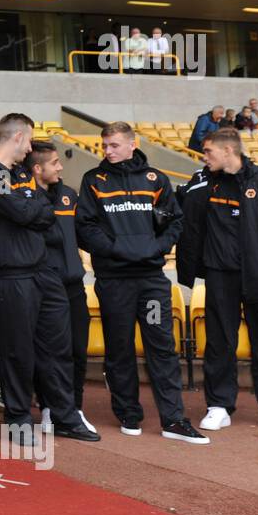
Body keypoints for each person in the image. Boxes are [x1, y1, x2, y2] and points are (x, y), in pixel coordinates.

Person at [0, 113, 100, 441]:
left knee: (58, 347)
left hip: (45, 271)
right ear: (16, 137)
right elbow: (25, 211)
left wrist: (31, 205)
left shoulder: (22, 175)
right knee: (18, 349)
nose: (30, 147)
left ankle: (64, 415)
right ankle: (17, 418)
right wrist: (31, 206)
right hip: (12, 273)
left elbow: (43, 212)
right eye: (28, 140)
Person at [75, 122, 205, 442]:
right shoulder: (94, 180)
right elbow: (85, 228)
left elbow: (174, 222)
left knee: (161, 347)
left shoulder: (155, 179)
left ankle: (173, 420)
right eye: (105, 146)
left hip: (150, 282)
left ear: (133, 144)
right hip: (114, 282)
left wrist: (155, 248)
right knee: (119, 349)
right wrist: (119, 249)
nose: (108, 151)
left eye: (114, 145)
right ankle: (129, 413)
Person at [177, 127, 258, 433]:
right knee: (220, 342)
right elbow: (186, 219)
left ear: (228, 151)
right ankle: (219, 405)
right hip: (220, 275)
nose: (204, 158)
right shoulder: (203, 183)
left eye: (208, 152)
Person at [25, 141, 95, 432]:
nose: (61, 167)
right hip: (44, 286)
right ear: (38, 168)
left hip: (73, 285)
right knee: (50, 353)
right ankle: (49, 408)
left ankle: (73, 409)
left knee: (77, 350)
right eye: (55, 163)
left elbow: (83, 235)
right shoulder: (26, 199)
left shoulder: (69, 195)